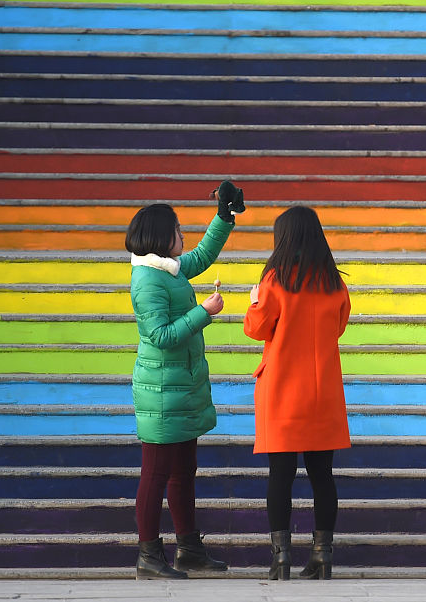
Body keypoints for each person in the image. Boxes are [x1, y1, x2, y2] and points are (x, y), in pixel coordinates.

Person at [125, 181, 245, 579]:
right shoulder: (147, 281)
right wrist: (204, 312)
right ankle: (148, 555)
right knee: (155, 474)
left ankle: (188, 549)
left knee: (182, 471)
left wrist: (224, 217)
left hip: (180, 390)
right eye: (178, 230)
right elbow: (160, 337)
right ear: (161, 237)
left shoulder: (169, 270)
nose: (183, 236)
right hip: (161, 394)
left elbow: (202, 256)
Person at [244, 205, 351, 580]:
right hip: (322, 394)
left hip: (282, 392)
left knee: (281, 475)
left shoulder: (275, 280)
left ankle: (281, 557)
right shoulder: (334, 283)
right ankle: (323, 555)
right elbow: (338, 327)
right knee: (323, 475)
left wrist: (254, 299)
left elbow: (257, 329)